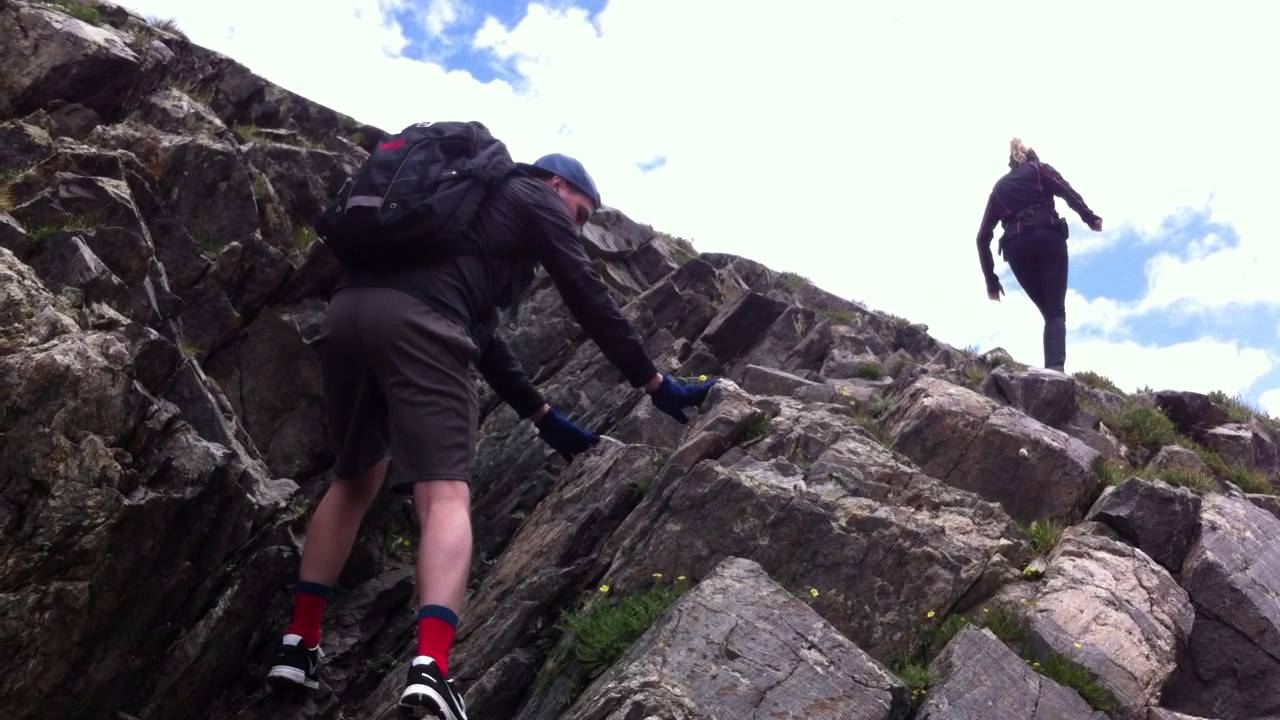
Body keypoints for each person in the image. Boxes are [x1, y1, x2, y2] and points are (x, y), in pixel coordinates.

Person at [265, 151, 715, 720]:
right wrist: (653, 382)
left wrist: (542, 415)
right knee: (444, 494)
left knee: (354, 480)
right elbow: (583, 290)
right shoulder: (534, 196)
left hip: (347, 314)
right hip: (420, 326)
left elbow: (483, 337)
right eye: (579, 213)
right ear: (558, 184)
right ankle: (431, 669)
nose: (577, 227)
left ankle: (298, 645)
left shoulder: (464, 207)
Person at [976, 138, 1103, 372]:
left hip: (1016, 248)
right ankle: (1055, 371)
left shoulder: (999, 189)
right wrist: (1090, 217)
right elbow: (1067, 191)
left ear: (1011, 164)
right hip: (1048, 237)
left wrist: (991, 281)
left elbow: (982, 237)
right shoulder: (1040, 169)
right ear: (1032, 156)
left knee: (1050, 312)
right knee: (1055, 311)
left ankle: (1051, 369)